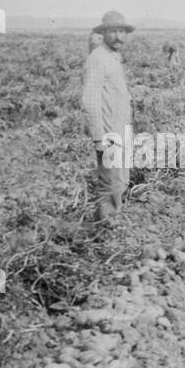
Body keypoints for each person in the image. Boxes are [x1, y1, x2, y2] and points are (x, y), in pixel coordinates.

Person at [80, 11, 135, 222]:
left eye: (121, 31)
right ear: (103, 33)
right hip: (109, 133)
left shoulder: (112, 57)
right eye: (113, 31)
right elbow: (90, 99)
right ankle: (106, 229)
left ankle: (115, 220)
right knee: (109, 183)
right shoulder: (98, 58)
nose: (118, 36)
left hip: (120, 129)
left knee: (119, 181)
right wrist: (98, 136)